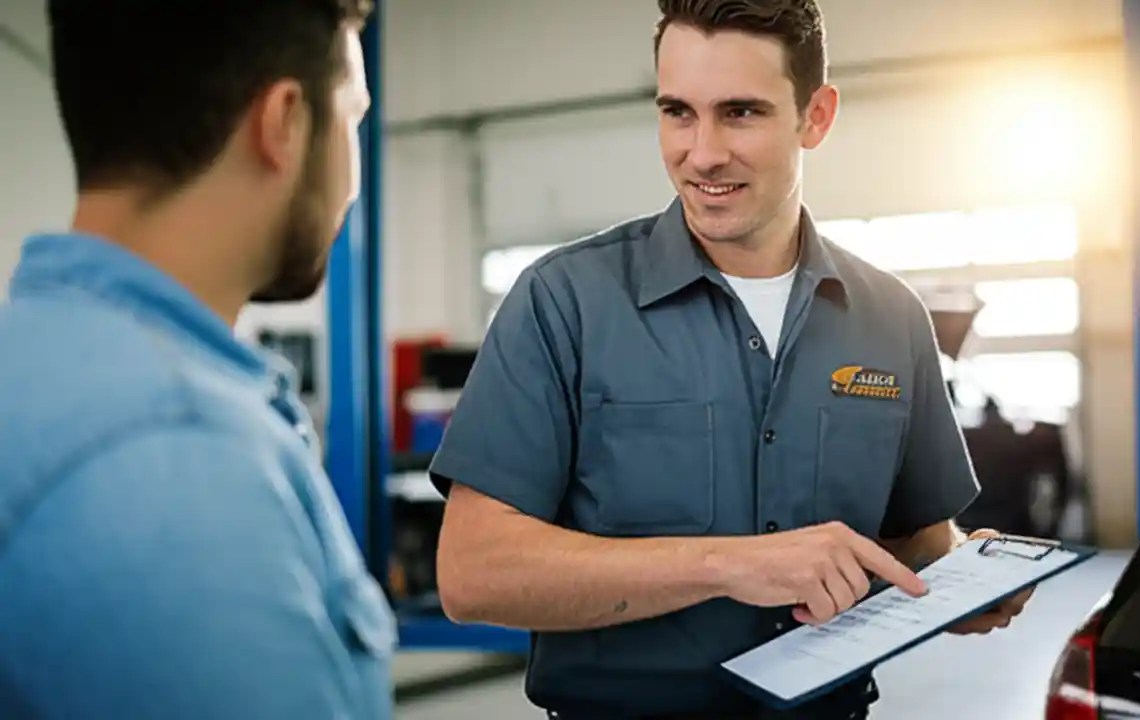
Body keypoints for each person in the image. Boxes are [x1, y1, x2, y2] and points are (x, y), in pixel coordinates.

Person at [430, 1, 1033, 718]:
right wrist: (728, 563)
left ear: (816, 116)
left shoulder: (890, 319)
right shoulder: (565, 303)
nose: (703, 152)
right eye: (678, 112)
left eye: (740, 113)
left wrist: (967, 575)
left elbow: (920, 539)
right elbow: (472, 574)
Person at [0, 2, 395, 718]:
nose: (353, 172)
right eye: (353, 118)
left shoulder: (29, 369)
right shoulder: (176, 455)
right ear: (282, 122)